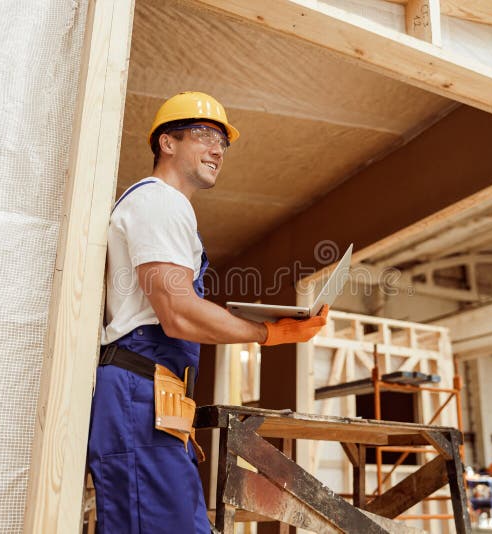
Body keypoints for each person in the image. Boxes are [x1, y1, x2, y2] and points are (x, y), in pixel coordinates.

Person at [87, 91, 330, 534]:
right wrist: (267, 334)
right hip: (139, 392)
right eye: (204, 135)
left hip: (156, 395)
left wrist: (272, 330)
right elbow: (178, 313)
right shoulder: (158, 201)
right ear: (167, 142)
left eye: (223, 142)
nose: (218, 149)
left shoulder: (169, 208)